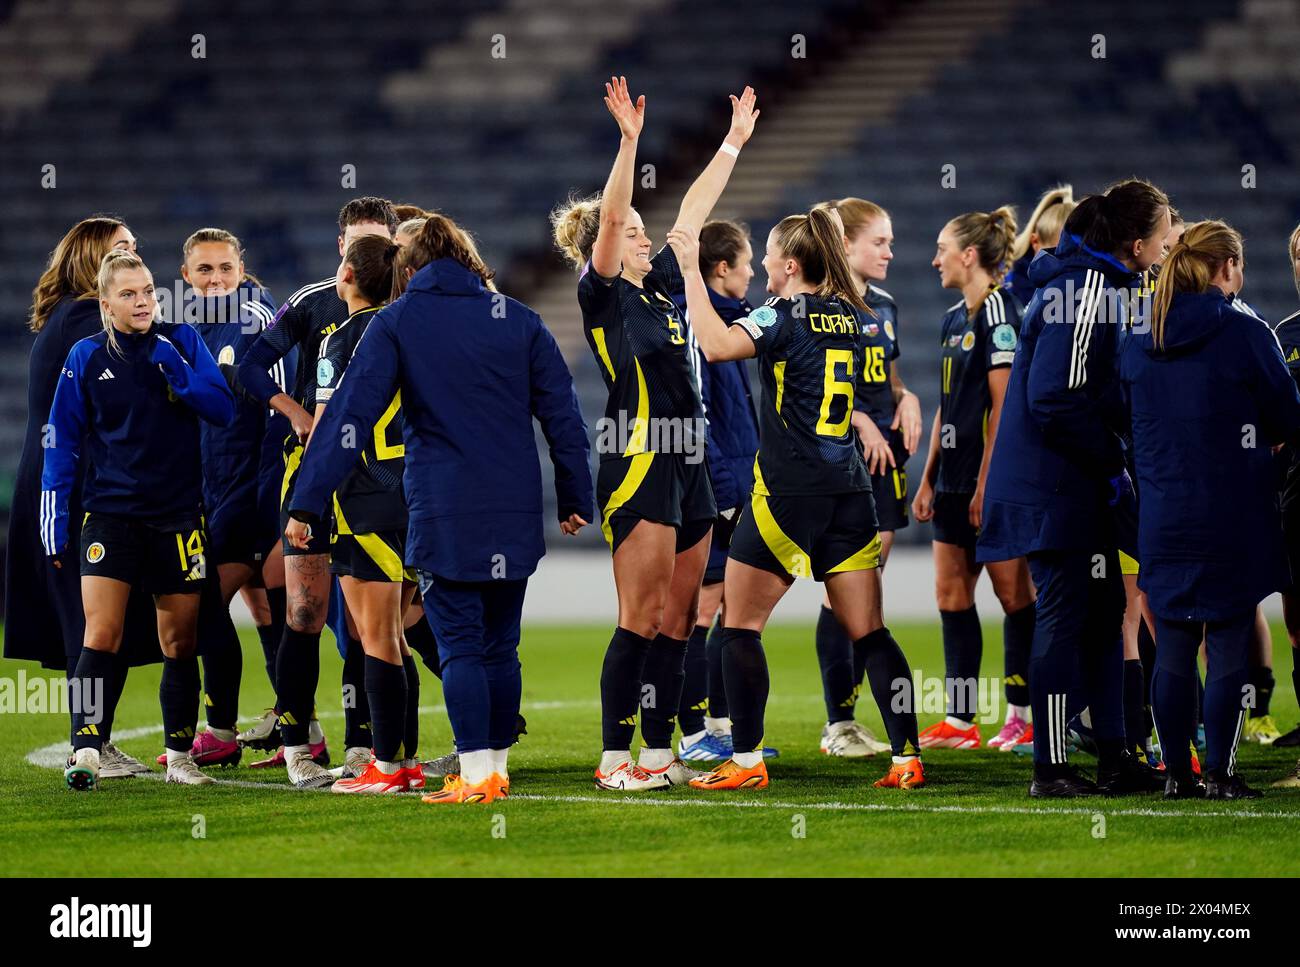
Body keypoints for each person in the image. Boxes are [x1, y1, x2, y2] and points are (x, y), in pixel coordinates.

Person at [288, 213, 592, 804]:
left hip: (445, 509)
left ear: (409, 266)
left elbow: (347, 421)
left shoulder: (398, 322)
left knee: (460, 648)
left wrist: (306, 500)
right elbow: (564, 417)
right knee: (502, 646)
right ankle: (495, 768)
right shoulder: (518, 320)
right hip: (513, 510)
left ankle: (475, 776)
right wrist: (576, 494)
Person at [550, 78, 757, 790]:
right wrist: (629, 144)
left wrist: (732, 141)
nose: (644, 234)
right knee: (639, 616)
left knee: (678, 620)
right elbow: (607, 223)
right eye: (633, 229)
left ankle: (661, 754)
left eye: (643, 229)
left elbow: (694, 214)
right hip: (641, 458)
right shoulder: (602, 295)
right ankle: (614, 761)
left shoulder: (667, 284)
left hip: (691, 462)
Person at [672, 207, 925, 792]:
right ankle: (907, 757)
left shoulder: (782, 313)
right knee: (872, 631)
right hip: (852, 491)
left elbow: (713, 346)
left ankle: (747, 760)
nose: (760, 263)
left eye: (768, 255)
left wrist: (690, 269)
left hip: (789, 492)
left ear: (790, 265)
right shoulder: (852, 313)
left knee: (739, 625)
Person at [978, 179, 1172, 798]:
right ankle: (1052, 768)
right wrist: (1114, 463)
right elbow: (1056, 399)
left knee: (1103, 614)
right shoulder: (1085, 289)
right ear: (1137, 242)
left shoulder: (1103, 286)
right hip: (1056, 483)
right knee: (1063, 618)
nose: (1171, 242)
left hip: (1073, 478)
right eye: (1166, 230)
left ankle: (1114, 757)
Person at [1121, 220, 1300, 799]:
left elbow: (1121, 422)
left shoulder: (1138, 336)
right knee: (1225, 641)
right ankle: (1220, 773)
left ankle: (1178, 774)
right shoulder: (1246, 332)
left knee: (1172, 643)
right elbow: (1287, 418)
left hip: (1162, 512)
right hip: (1233, 509)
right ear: (1226, 267)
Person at [44, 250, 235, 789]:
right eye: (128, 294)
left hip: (178, 519)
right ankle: (85, 748)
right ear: (105, 303)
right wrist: (55, 516)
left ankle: (179, 756)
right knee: (101, 634)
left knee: (179, 642)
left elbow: (221, 408)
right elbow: (61, 441)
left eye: (148, 290)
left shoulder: (182, 343)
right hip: (109, 516)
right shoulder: (84, 357)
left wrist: (179, 373)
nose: (143, 301)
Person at [234, 197, 398, 784]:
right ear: (341, 250)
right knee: (305, 611)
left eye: (378, 243)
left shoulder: (403, 310)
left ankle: (364, 744)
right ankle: (299, 745)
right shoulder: (311, 303)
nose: (365, 254)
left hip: (376, 480)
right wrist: (295, 413)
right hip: (311, 472)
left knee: (366, 619)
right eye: (358, 242)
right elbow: (250, 367)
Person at [5, 216, 156, 780]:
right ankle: (85, 745)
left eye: (135, 249)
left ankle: (96, 741)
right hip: (69, 493)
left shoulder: (68, 318)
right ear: (93, 263)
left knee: (99, 624)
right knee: (89, 627)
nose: (133, 259)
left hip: (84, 488)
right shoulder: (79, 320)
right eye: (121, 250)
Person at [286, 234, 424, 794]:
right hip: (416, 499)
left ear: (347, 275)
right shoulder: (414, 332)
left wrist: (305, 501)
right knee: (398, 636)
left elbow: (326, 428)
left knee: (376, 638)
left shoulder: (340, 340)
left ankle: (385, 767)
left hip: (364, 499)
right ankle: (407, 762)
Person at [153, 227, 281, 769]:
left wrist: (271, 496)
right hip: (214, 489)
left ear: (241, 269)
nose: (216, 279)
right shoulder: (184, 330)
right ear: (186, 277)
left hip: (251, 490)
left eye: (225, 268)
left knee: (205, 607)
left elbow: (276, 406)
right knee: (266, 609)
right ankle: (302, 727)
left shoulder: (255, 318)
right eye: (204, 271)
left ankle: (222, 730)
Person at [911, 208, 1037, 751]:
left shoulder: (1001, 314)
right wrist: (928, 477)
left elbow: (1004, 407)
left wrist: (989, 485)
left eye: (942, 248)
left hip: (995, 483)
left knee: (1014, 595)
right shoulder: (952, 318)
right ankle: (962, 721)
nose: (935, 259)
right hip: (952, 482)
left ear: (969, 255)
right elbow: (948, 407)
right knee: (951, 593)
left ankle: (1023, 713)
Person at [810, 197, 921, 757]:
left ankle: (849, 722)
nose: (889, 251)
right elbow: (805, 385)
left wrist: (910, 400)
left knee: (867, 594)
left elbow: (890, 379)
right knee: (844, 593)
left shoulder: (885, 305)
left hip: (884, 465)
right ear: (846, 244)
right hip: (841, 461)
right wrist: (857, 419)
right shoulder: (824, 307)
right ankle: (838, 722)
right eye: (879, 241)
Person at [667, 220, 775, 763]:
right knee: (700, 608)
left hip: (736, 476)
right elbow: (700, 416)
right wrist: (718, 487)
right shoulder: (699, 323)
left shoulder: (726, 320)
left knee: (730, 604)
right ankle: (691, 732)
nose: (754, 270)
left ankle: (717, 723)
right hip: (718, 484)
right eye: (747, 261)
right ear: (721, 268)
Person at [1005, 186, 1076, 308]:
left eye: (1074, 255)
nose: (1066, 265)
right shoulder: (1010, 285)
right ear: (1035, 242)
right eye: (1058, 254)